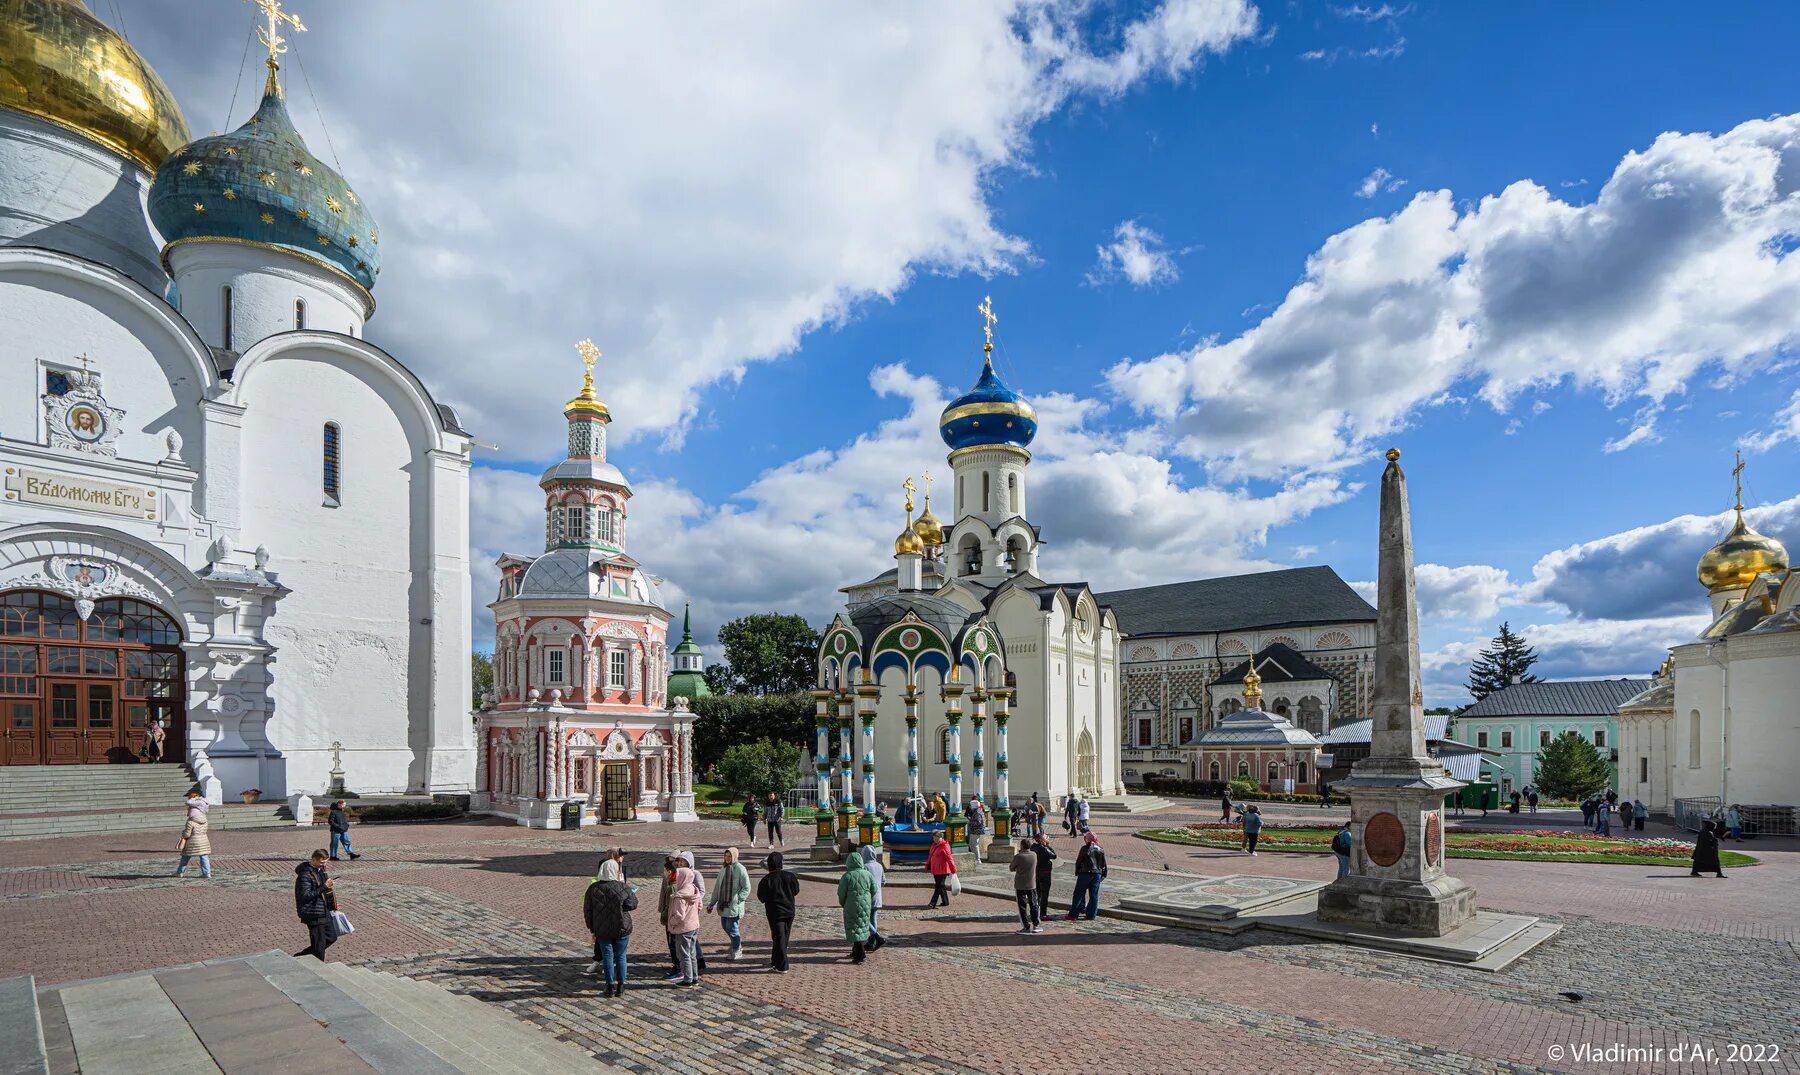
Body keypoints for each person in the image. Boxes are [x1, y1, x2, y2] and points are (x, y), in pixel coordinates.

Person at [584, 857, 637, 997]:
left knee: (607, 956)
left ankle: (609, 986)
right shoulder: (622, 887)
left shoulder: (593, 888)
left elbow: (587, 911)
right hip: (621, 926)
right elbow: (632, 904)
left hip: (602, 929)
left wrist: (592, 929)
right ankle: (621, 985)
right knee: (621, 956)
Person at [757, 851, 800, 973]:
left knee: (779, 937)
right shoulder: (790, 876)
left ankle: (782, 965)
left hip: (775, 912)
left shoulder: (767, 879)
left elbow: (761, 897)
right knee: (783, 936)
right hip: (789, 911)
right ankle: (776, 959)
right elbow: (796, 890)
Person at [664, 858, 703, 986]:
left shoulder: (680, 895)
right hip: (693, 926)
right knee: (692, 953)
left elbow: (679, 915)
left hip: (683, 928)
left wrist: (671, 921)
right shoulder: (694, 889)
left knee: (684, 954)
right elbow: (700, 906)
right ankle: (694, 977)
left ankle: (687, 980)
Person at [707, 847, 750, 960]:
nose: (727, 858)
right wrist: (712, 903)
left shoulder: (740, 869)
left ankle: (737, 950)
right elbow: (718, 887)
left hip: (734, 906)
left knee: (733, 929)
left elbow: (746, 887)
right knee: (725, 927)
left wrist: (738, 899)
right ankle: (736, 945)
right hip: (723, 904)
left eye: (729, 856)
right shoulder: (723, 869)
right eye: (725, 856)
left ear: (735, 856)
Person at [293, 850, 336, 960]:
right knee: (319, 944)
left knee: (331, 936)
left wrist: (332, 904)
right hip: (313, 912)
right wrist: (325, 886)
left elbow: (322, 891)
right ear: (314, 859)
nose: (324, 865)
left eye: (325, 862)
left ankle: (302, 955)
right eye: (322, 862)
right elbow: (305, 895)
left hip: (323, 910)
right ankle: (317, 965)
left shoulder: (320, 870)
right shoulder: (305, 875)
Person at [837, 851, 876, 963]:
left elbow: (841, 893)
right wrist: (867, 898)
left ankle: (860, 954)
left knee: (854, 927)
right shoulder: (867, 874)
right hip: (865, 904)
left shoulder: (847, 876)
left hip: (851, 905)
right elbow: (874, 889)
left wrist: (843, 903)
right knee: (862, 926)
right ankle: (856, 950)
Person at [1068, 831, 1107, 920]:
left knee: (1079, 894)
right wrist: (1103, 874)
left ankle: (1073, 914)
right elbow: (1103, 863)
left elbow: (1079, 861)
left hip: (1085, 873)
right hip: (1097, 874)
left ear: (1088, 840)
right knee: (1094, 895)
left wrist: (1077, 871)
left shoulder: (1085, 848)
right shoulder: (1100, 849)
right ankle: (1091, 915)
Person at [174, 793, 212, 879]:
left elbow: (187, 834)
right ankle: (207, 873)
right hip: (204, 840)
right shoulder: (205, 820)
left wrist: (183, 834)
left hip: (192, 842)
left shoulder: (190, 822)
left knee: (185, 857)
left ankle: (180, 872)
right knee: (204, 856)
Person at [1009, 838, 1041, 934]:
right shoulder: (1034, 855)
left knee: (1022, 906)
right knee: (1034, 904)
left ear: (1022, 846)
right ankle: (1036, 925)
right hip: (1032, 884)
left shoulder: (1019, 856)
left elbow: (1011, 868)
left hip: (1020, 884)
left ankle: (1026, 927)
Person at [926, 831, 957, 909]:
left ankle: (933, 903)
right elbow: (930, 856)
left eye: (936, 837)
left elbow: (949, 858)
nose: (934, 839)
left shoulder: (945, 846)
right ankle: (945, 901)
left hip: (943, 869)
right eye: (933, 837)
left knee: (938, 886)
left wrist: (953, 869)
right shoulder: (934, 845)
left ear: (940, 837)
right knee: (941, 886)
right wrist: (928, 865)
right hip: (936, 869)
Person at [1031, 832, 1057, 921]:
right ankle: (1043, 914)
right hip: (1045, 873)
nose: (1048, 839)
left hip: (1036, 872)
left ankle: (1035, 912)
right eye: (1046, 838)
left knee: (1037, 894)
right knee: (1044, 894)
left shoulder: (1033, 847)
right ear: (1042, 840)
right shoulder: (1044, 849)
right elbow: (1054, 855)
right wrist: (1047, 845)